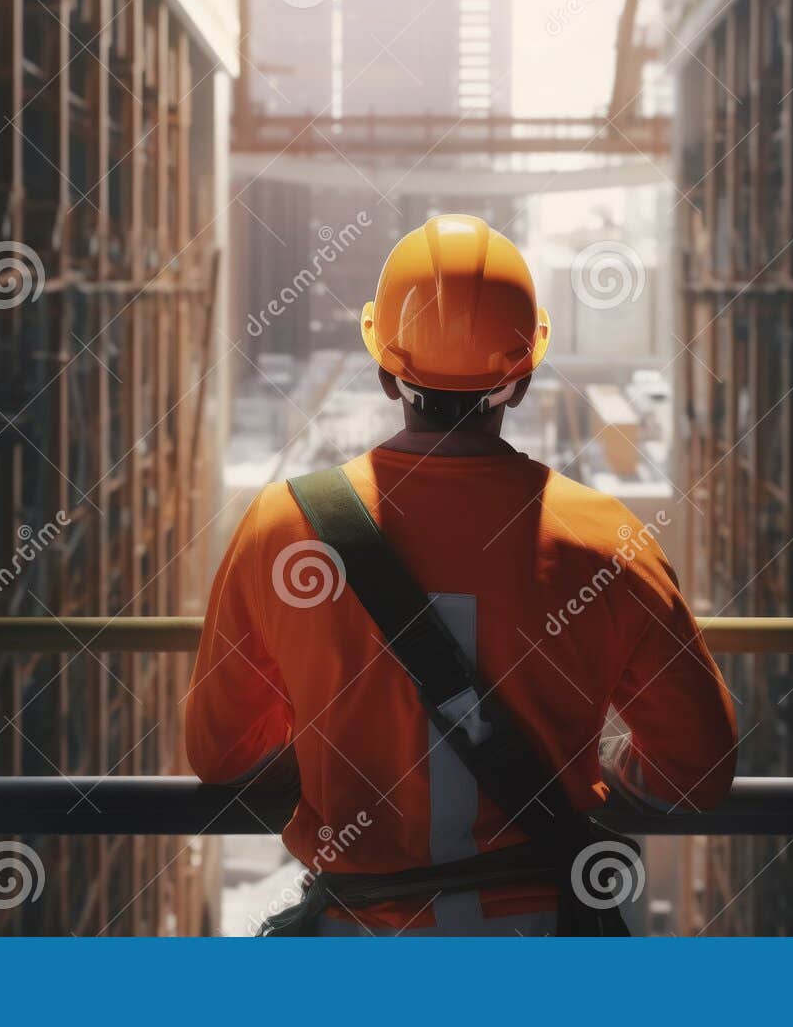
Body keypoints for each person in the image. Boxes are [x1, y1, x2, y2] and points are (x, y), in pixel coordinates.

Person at [185, 213, 737, 935]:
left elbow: (222, 755)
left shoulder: (283, 530)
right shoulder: (608, 543)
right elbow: (696, 769)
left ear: (387, 374)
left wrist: (340, 750)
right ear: (522, 377)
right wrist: (589, 785)